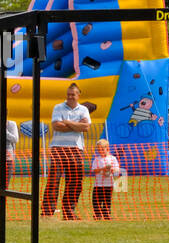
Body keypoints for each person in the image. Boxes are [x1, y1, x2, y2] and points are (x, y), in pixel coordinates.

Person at [43, 83, 90, 220]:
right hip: (58, 148)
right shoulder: (58, 107)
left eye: (73, 94)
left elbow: (86, 127)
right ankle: (47, 212)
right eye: (68, 94)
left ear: (78, 95)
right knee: (53, 180)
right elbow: (56, 126)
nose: (70, 97)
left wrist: (67, 122)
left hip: (76, 149)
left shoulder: (84, 109)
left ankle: (69, 211)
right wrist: (77, 125)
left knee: (75, 181)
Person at [90, 139, 121, 220]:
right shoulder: (97, 159)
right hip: (98, 185)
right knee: (96, 200)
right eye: (98, 150)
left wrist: (112, 170)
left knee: (107, 200)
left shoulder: (112, 158)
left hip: (109, 184)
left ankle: (106, 214)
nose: (100, 151)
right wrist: (102, 169)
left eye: (102, 149)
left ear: (107, 148)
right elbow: (94, 170)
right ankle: (97, 214)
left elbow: (117, 169)